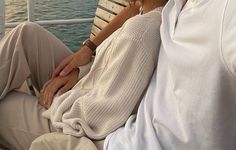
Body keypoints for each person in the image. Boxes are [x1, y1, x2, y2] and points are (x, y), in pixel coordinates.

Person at [0, 0, 167, 149]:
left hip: (77, 124)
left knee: (3, 107)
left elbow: (100, 114)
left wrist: (58, 98)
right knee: (27, 33)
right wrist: (81, 69)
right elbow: (108, 67)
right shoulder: (145, 12)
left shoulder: (140, 32)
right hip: (89, 81)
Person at [104, 0, 236, 149]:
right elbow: (134, 7)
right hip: (122, 137)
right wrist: (89, 47)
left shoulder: (228, 12)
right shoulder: (173, 6)